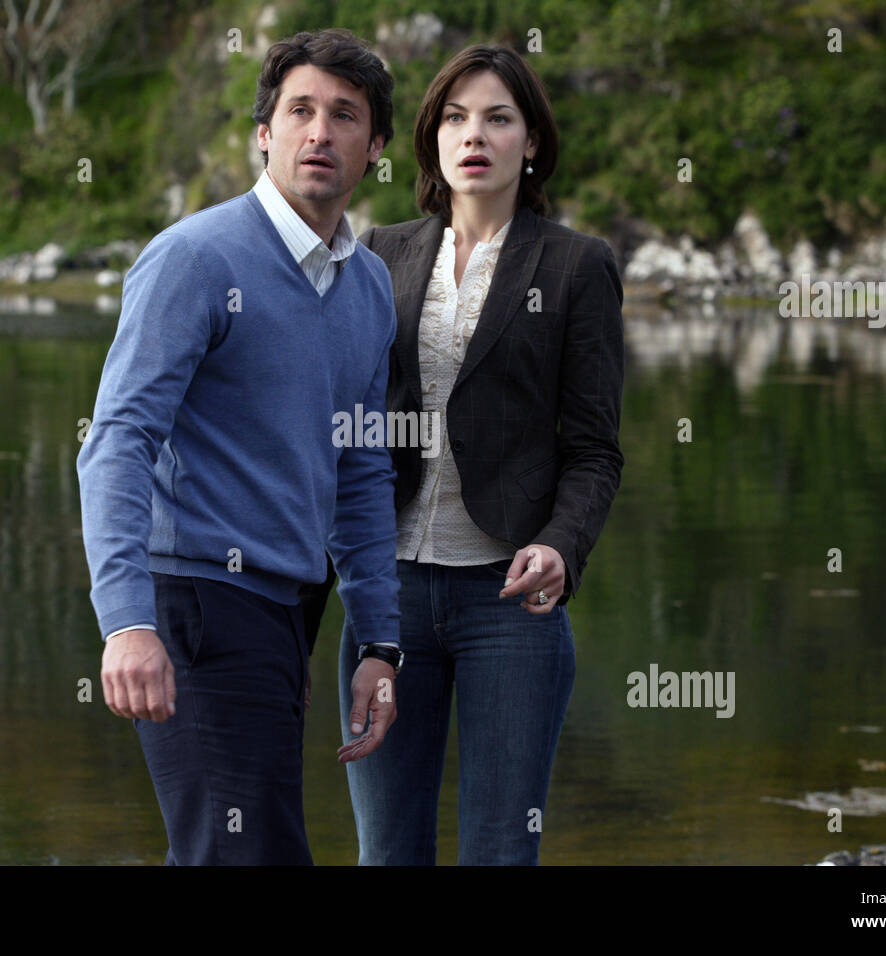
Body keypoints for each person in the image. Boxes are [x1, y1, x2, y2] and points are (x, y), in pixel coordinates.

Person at [77, 28, 405, 866]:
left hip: (284, 614)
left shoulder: (368, 285)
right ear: (264, 132)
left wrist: (377, 642)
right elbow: (117, 440)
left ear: (375, 148)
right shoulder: (193, 258)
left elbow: (362, 470)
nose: (319, 133)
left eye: (345, 116)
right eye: (299, 111)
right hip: (191, 601)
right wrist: (125, 624)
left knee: (236, 848)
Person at [301, 43, 626, 864]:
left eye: (498, 118)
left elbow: (594, 450)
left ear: (532, 143)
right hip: (388, 601)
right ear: (431, 139)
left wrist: (561, 543)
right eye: (454, 117)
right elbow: (343, 425)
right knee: (386, 853)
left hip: (510, 605)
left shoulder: (578, 266)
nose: (473, 134)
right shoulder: (378, 251)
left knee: (498, 853)